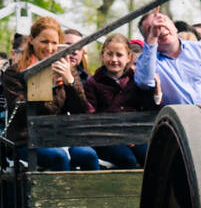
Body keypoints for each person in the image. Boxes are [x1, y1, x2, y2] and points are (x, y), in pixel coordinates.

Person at [2, 15, 99, 170]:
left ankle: (96, 194)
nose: (49, 48)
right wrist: (45, 85)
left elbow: (81, 111)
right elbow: (19, 112)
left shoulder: (66, 68)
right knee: (58, 157)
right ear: (32, 40)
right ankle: (64, 195)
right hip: (27, 140)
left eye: (54, 43)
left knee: (88, 155)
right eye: (44, 41)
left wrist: (71, 82)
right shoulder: (15, 73)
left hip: (60, 136)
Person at [85, 34, 160, 167]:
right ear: (103, 56)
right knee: (127, 160)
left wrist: (156, 91)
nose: (114, 59)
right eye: (109, 54)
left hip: (135, 136)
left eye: (119, 55)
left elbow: (149, 108)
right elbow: (91, 115)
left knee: (151, 156)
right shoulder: (94, 82)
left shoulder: (135, 80)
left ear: (128, 57)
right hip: (106, 139)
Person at [135, 11, 201, 104]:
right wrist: (153, 38)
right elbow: (144, 82)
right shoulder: (149, 63)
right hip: (178, 117)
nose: (160, 30)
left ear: (173, 25)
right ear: (146, 38)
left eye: (162, 22)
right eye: (152, 28)